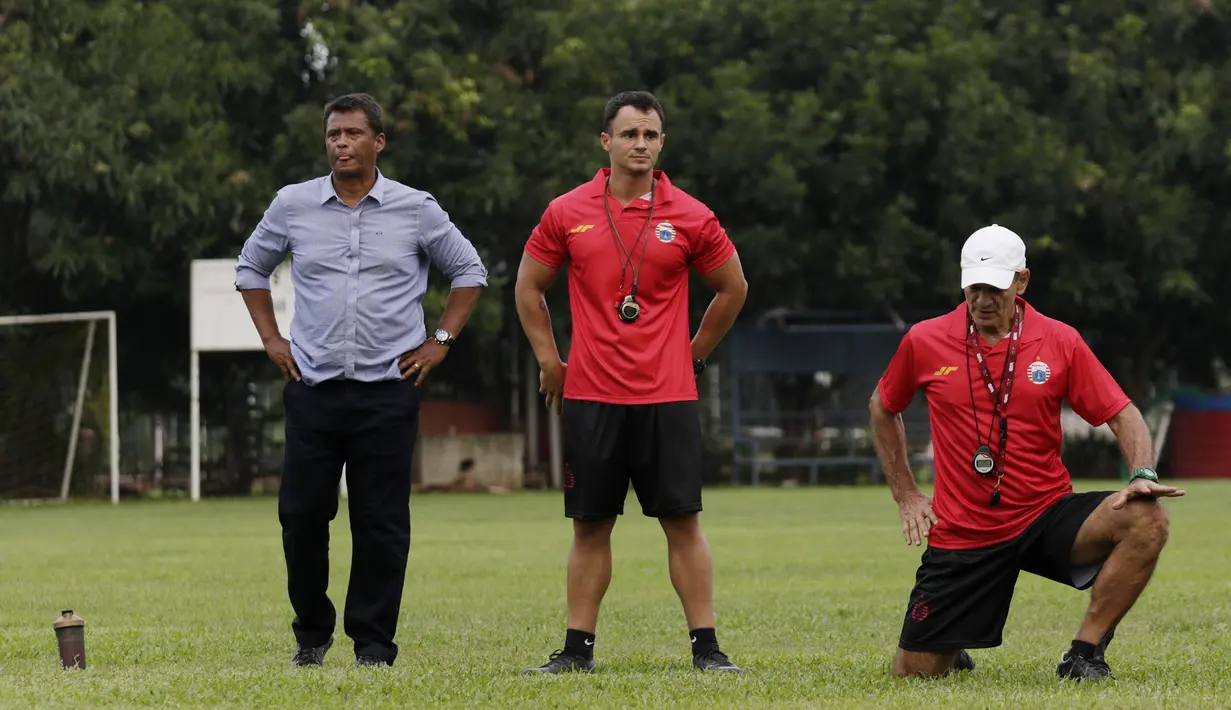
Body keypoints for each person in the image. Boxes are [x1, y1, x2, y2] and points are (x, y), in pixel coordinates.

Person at [234, 93, 488, 668]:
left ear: (378, 141)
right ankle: (311, 633)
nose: (341, 144)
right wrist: (272, 340)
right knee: (301, 515)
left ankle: (373, 644)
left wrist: (440, 342)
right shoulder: (293, 204)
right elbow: (251, 266)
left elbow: (470, 269)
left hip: (388, 391)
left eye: (353, 134)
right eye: (333, 135)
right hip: (314, 388)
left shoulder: (415, 208)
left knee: (380, 522)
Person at [869, 224, 1185, 681]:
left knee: (1147, 516)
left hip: (1045, 514)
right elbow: (883, 406)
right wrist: (906, 494)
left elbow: (1123, 413)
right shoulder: (924, 339)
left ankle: (1085, 653)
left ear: (1022, 281)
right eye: (974, 288)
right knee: (913, 675)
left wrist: (1142, 471)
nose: (982, 300)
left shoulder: (1059, 340)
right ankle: (950, 642)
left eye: (995, 288)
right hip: (966, 531)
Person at [514, 91, 749, 674]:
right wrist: (550, 360)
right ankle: (575, 651)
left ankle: (707, 650)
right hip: (591, 395)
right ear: (606, 142)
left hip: (667, 397)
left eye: (649, 135)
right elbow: (527, 285)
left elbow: (733, 287)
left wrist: (692, 352)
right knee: (590, 525)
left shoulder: (692, 216)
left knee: (683, 522)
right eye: (628, 135)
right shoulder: (567, 211)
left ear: (661, 143)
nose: (639, 145)